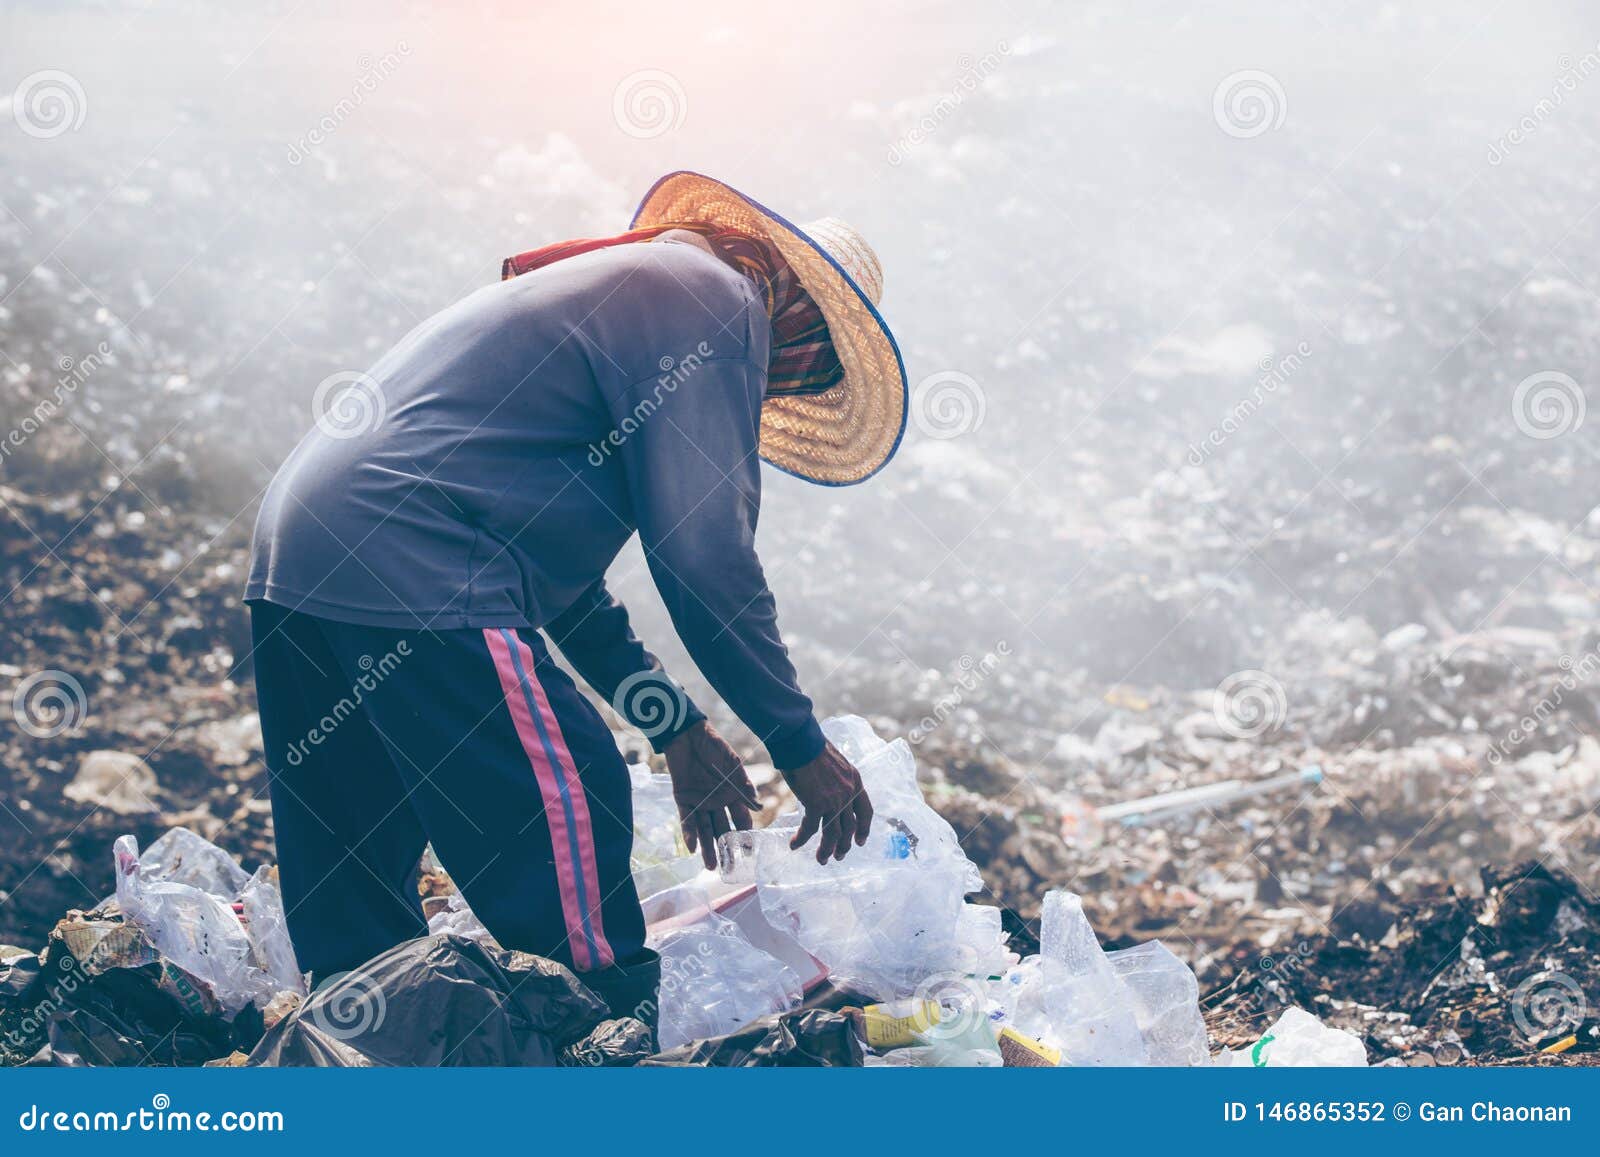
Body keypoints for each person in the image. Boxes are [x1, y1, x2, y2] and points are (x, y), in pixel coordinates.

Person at [243, 171, 908, 1033]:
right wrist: (799, 744)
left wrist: (674, 723)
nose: (776, 389)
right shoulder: (714, 301)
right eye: (800, 371)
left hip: (301, 552)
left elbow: (559, 592)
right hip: (418, 554)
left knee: (357, 884)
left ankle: (362, 1065)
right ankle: (604, 1048)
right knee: (570, 801)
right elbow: (705, 559)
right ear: (803, 327)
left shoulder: (643, 296)